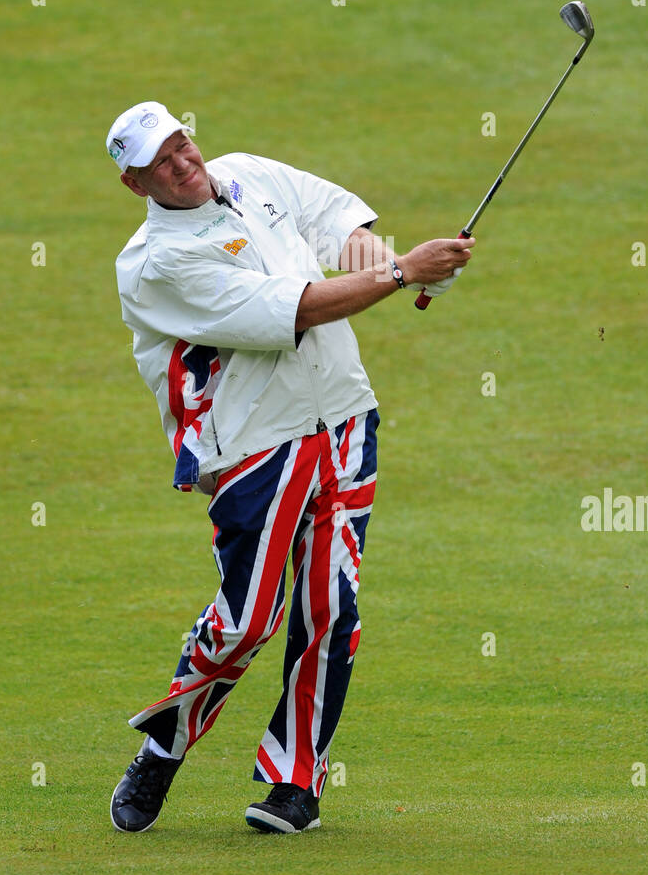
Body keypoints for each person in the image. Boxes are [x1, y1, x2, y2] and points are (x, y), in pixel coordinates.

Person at [105, 101, 475, 834]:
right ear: (136, 185)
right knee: (247, 622)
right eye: (161, 165)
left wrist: (408, 269)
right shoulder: (155, 264)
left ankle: (296, 782)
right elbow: (296, 309)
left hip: (343, 416)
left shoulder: (247, 174)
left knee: (330, 609)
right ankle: (165, 744)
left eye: (182, 145)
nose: (183, 164)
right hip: (254, 444)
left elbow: (335, 221)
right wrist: (404, 273)